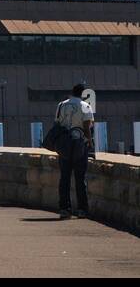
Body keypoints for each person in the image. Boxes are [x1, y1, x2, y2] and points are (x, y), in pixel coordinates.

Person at [54, 83, 94, 219]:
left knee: (64, 178)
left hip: (64, 144)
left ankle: (64, 209)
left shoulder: (61, 105)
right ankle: (82, 209)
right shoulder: (85, 106)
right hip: (79, 145)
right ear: (83, 94)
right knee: (80, 178)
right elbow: (87, 126)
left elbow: (57, 123)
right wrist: (90, 141)